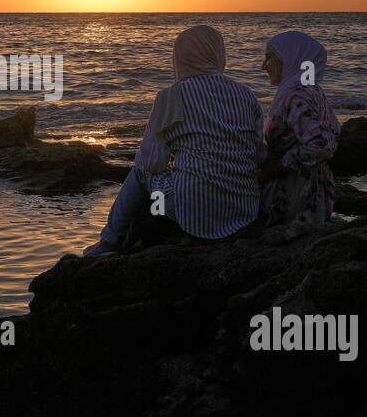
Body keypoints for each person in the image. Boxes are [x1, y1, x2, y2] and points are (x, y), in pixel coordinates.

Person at [83, 25, 264, 257]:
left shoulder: (172, 96)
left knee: (140, 171)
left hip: (193, 216)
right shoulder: (246, 94)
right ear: (218, 54)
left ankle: (109, 241)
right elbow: (258, 154)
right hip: (244, 214)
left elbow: (152, 163)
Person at [257, 30, 341, 234]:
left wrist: (278, 165)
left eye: (269, 57)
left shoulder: (296, 94)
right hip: (314, 191)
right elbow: (335, 133)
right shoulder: (311, 89)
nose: (263, 66)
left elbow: (320, 145)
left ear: (290, 57)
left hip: (294, 194)